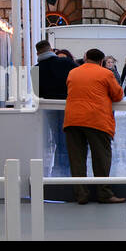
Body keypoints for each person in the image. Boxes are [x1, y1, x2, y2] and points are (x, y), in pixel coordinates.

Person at [62, 48, 126, 204]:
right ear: (101, 61)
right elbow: (118, 95)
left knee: (77, 160)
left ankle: (81, 195)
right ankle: (104, 193)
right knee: (101, 159)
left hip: (73, 120)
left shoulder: (73, 73)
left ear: (85, 58)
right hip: (97, 120)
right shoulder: (106, 74)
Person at [35, 40, 74, 172]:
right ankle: (65, 167)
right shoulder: (66, 62)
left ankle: (59, 167)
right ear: (51, 49)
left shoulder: (35, 69)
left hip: (49, 107)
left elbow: (37, 92)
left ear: (37, 53)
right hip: (68, 104)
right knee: (67, 137)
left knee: (57, 137)